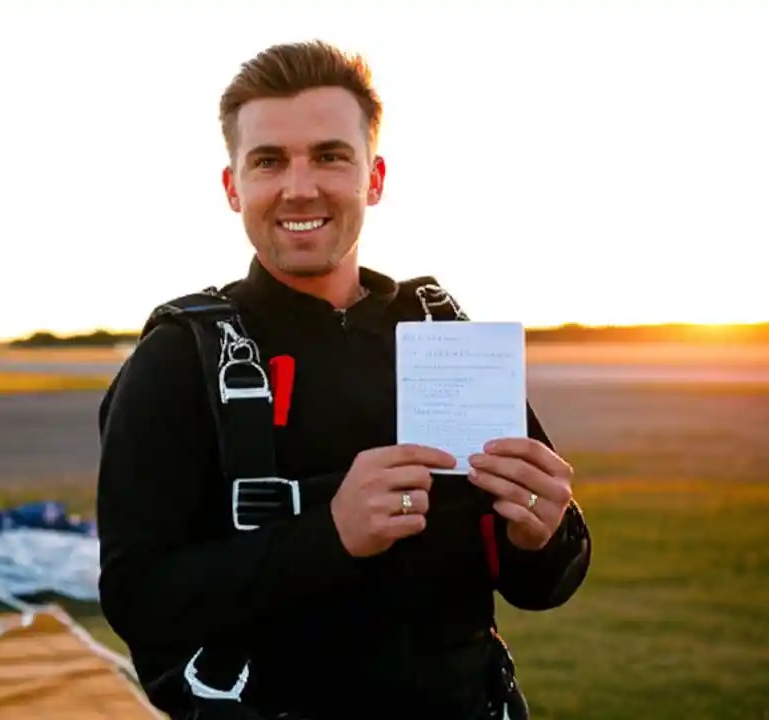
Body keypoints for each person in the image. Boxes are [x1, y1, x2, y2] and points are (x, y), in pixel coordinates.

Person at [96, 39, 592, 720]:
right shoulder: (180, 362)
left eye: (331, 156)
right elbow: (138, 598)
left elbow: (539, 585)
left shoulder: (448, 341)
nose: (301, 187)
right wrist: (328, 534)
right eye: (269, 161)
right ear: (233, 186)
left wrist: (547, 532)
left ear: (375, 177)